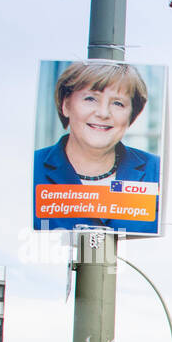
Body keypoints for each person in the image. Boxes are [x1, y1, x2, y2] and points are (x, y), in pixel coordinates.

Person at [32, 61, 160, 233]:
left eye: (118, 103)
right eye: (90, 98)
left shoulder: (156, 171)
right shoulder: (32, 168)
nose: (103, 113)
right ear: (66, 105)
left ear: (132, 115)